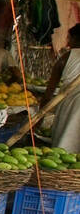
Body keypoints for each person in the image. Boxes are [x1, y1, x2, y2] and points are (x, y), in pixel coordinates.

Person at [41, 24, 80, 153]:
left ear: (75, 39)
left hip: (72, 104)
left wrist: (40, 117)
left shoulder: (68, 56)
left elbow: (49, 93)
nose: (68, 42)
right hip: (73, 102)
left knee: (65, 148)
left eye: (69, 38)